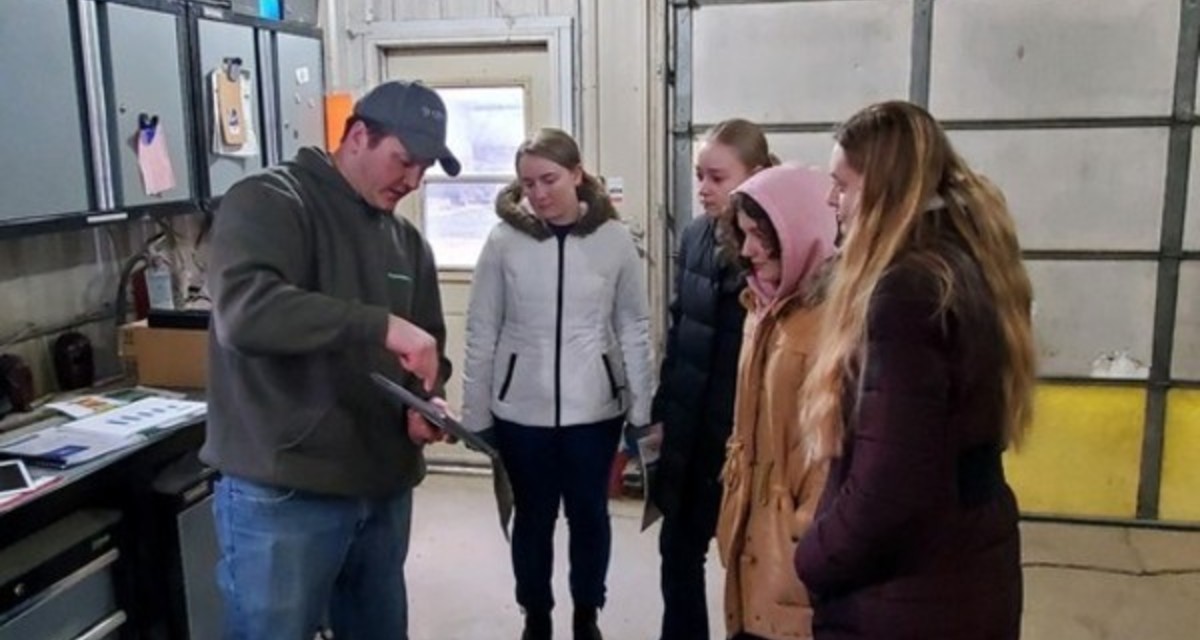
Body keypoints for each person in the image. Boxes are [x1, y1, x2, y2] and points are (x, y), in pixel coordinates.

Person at [202, 80, 458, 640]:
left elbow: (428, 345)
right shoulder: (270, 201)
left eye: (424, 168)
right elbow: (246, 312)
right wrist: (380, 325)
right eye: (404, 161)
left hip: (382, 488)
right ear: (359, 136)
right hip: (285, 493)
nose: (413, 180)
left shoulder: (408, 243)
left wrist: (425, 399)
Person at [794, 100, 1035, 639]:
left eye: (843, 184)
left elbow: (890, 485)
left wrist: (815, 557)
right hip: (964, 568)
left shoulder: (905, 292)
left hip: (905, 596)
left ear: (885, 190)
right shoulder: (964, 267)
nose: (832, 199)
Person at [460, 127, 654, 640]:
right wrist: (475, 415)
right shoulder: (503, 242)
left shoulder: (614, 240)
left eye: (549, 180)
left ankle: (587, 612)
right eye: (528, 184)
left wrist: (642, 408)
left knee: (590, 516)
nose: (539, 194)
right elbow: (481, 328)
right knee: (534, 518)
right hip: (521, 412)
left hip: (595, 411)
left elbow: (634, 324)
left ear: (577, 174)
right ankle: (537, 614)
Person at [651, 118, 776, 640]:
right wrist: (662, 413)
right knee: (677, 554)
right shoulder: (697, 235)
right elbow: (681, 328)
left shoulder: (780, 246)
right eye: (699, 174)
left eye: (717, 177)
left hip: (746, 438)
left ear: (758, 176)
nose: (702, 188)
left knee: (752, 565)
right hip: (690, 429)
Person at [714, 165, 838, 640]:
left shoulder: (835, 320)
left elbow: (833, 448)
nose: (747, 251)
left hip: (796, 537)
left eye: (761, 236)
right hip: (750, 522)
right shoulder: (759, 307)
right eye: (742, 235)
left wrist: (803, 524)